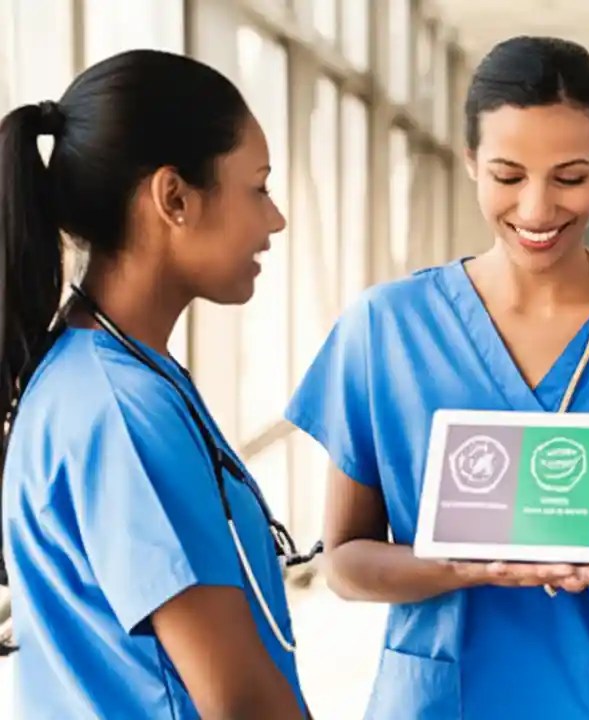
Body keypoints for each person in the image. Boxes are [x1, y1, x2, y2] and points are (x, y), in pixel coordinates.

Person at [286, 36, 589, 719]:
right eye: (507, 176)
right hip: (445, 698)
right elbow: (347, 561)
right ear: (470, 161)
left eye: (569, 176)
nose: (537, 210)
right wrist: (465, 566)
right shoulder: (388, 327)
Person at [0, 50, 310, 719]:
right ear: (174, 197)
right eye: (257, 188)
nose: (275, 220)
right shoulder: (120, 409)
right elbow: (239, 702)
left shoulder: (108, 372)